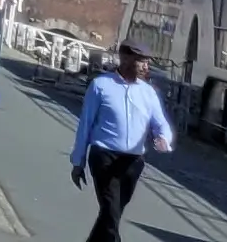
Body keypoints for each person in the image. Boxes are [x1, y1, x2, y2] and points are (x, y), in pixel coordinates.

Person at [71, 44, 179, 242]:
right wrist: (78, 162)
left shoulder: (148, 93)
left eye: (147, 61)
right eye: (141, 60)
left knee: (111, 213)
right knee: (111, 212)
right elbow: (85, 125)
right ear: (125, 58)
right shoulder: (101, 85)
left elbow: (160, 123)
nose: (145, 66)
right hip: (104, 156)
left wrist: (163, 138)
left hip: (133, 162)